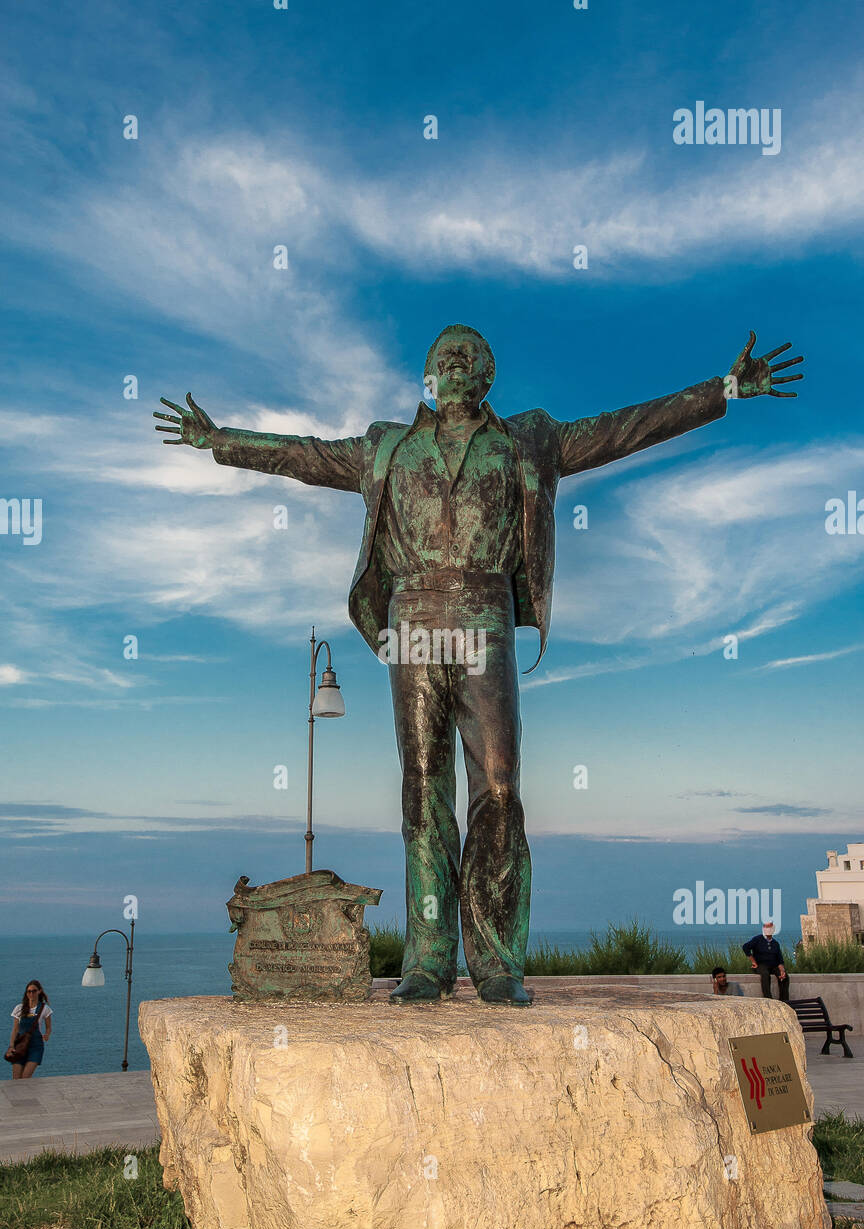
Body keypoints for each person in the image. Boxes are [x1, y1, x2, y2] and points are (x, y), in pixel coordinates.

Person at [155, 324, 802, 1006]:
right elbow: (306, 456)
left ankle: (496, 964)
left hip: (486, 617)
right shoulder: (385, 447)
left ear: (486, 376)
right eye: (443, 356)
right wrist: (221, 440)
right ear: (427, 377)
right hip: (411, 621)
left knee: (497, 789)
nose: (455, 364)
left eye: (468, 356)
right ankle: (428, 963)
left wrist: (723, 389)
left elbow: (626, 429)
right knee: (423, 790)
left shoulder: (528, 439)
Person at [8, 980, 52, 1078]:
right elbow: (15, 1029)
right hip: (19, 1046)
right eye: (29, 991)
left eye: (34, 991)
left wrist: (47, 1034)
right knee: (16, 1078)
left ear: (39, 991)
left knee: (25, 1077)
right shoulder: (19, 1008)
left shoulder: (45, 1009)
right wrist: (11, 1046)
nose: (31, 993)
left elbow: (48, 1027)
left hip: (35, 1046)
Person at [742, 922, 789, 1001]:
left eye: (770, 927)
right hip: (760, 965)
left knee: (785, 977)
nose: (768, 929)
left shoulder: (775, 943)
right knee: (765, 974)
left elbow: (780, 960)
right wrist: (753, 961)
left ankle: (784, 1001)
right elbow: (745, 947)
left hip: (773, 966)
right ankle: (768, 1000)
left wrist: (782, 971)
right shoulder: (757, 939)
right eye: (766, 927)